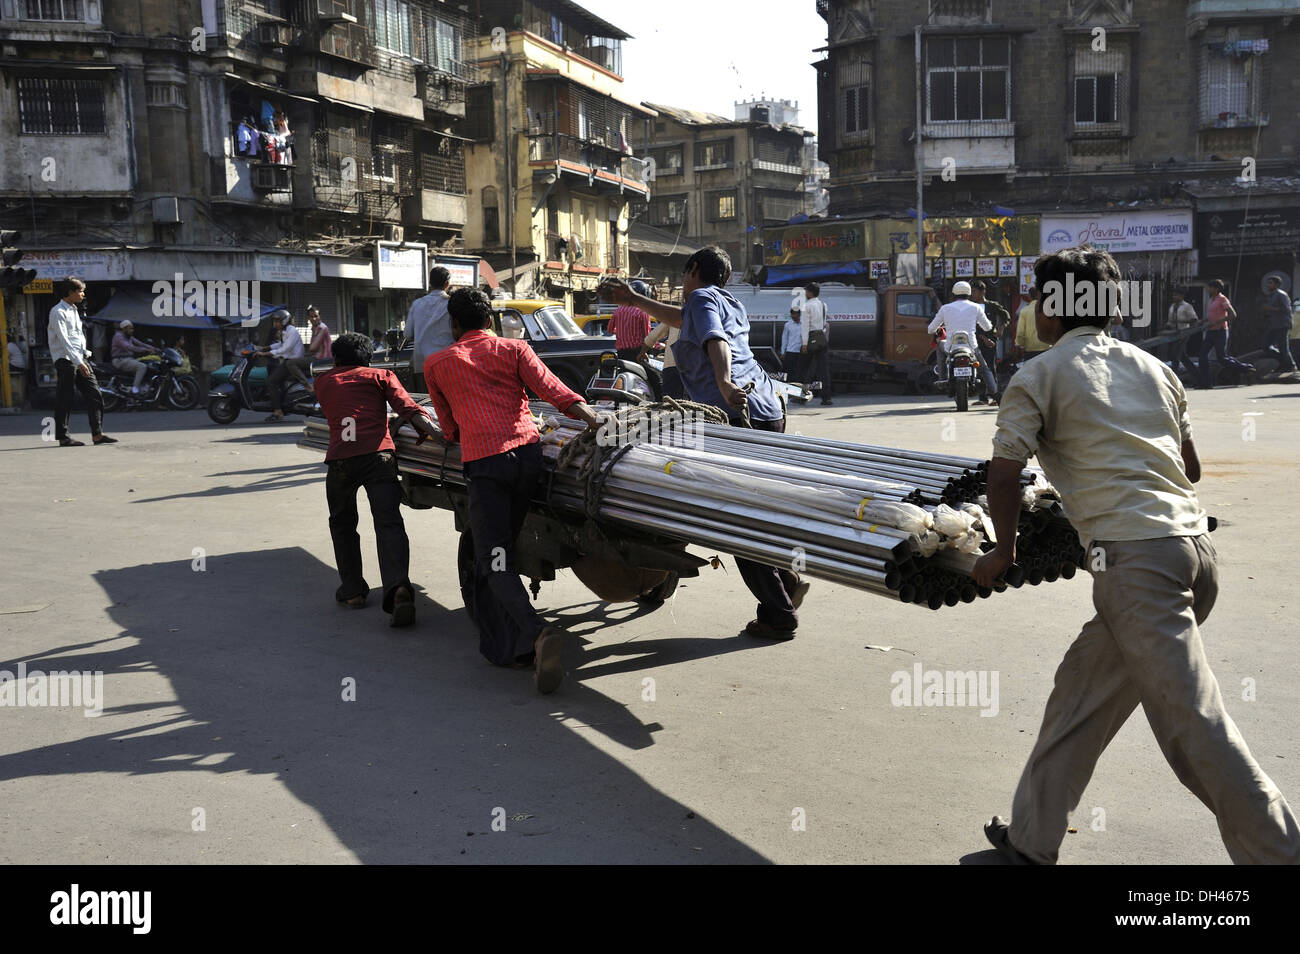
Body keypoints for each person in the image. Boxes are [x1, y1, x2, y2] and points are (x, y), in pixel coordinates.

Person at [972, 244, 1300, 866]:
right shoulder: (1154, 369)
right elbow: (1191, 466)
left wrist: (1004, 550)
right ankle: (1029, 841)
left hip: (1137, 569)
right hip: (1193, 554)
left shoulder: (1038, 375)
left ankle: (1281, 856)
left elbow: (1004, 473)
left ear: (1051, 308)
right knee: (1080, 692)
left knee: (1192, 730)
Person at [601, 247, 809, 640]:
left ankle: (779, 613)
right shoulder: (729, 302)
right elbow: (682, 320)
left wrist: (724, 382)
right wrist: (634, 300)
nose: (683, 285)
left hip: (732, 412)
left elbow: (715, 339)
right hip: (767, 409)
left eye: (684, 276)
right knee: (757, 505)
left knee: (732, 518)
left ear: (693, 270)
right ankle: (786, 579)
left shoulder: (700, 297)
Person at [424, 288, 601, 693]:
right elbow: (554, 391)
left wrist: (455, 432)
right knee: (506, 546)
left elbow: (449, 428)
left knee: (493, 557)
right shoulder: (515, 348)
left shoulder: (437, 364)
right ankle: (510, 643)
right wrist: (596, 421)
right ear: (489, 321)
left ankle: (536, 634)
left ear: (453, 324)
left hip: (486, 466)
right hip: (528, 459)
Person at [314, 332, 439, 627]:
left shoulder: (323, 381)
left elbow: (345, 410)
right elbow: (408, 409)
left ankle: (353, 591)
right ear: (369, 358)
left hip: (341, 460)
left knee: (343, 524)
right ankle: (398, 590)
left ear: (336, 358)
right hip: (378, 457)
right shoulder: (380, 376)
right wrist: (439, 435)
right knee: (388, 524)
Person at [47, 277, 114, 446]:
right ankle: (63, 437)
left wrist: (84, 355)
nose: (83, 294)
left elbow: (78, 336)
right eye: (80, 291)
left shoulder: (74, 310)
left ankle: (97, 435)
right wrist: (79, 362)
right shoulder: (58, 312)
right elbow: (64, 340)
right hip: (65, 360)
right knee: (65, 398)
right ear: (70, 292)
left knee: (95, 394)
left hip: (80, 358)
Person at [928, 280, 993, 393]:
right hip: (971, 347)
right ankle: (995, 392)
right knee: (985, 369)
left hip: (951, 347)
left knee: (939, 345)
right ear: (969, 293)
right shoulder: (976, 307)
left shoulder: (945, 308)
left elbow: (930, 330)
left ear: (954, 294)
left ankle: (942, 379)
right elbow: (988, 327)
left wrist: (938, 329)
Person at [608, 280, 662, 400]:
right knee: (657, 379)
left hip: (621, 355)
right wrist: (659, 346)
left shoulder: (618, 311)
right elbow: (648, 337)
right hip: (637, 354)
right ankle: (660, 404)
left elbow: (610, 329)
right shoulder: (642, 312)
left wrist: (623, 332)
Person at [1198, 280, 1253, 389]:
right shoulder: (1211, 300)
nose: (1208, 289)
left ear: (1216, 289)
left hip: (1220, 331)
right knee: (1202, 356)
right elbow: (1212, 316)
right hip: (1211, 331)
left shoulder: (1222, 299)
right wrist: (1203, 321)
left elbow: (1233, 314)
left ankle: (1245, 368)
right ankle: (1206, 383)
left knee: (1221, 357)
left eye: (1210, 287)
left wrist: (1218, 321)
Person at [408, 266, 452, 391]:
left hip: (422, 364)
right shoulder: (451, 303)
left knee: (426, 404)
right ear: (447, 284)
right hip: (446, 363)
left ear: (430, 283)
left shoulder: (417, 304)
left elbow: (407, 333)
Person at [257, 310, 305, 422]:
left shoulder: (292, 331)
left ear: (284, 321)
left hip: (293, 363)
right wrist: (265, 348)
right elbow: (281, 344)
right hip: (288, 361)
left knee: (271, 381)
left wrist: (264, 353)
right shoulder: (285, 331)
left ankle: (278, 412)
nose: (276, 324)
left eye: (278, 321)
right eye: (275, 321)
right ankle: (281, 404)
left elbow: (284, 349)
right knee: (276, 378)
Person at [970, 279, 1007, 405]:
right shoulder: (971, 307)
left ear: (982, 292)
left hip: (991, 341)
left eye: (974, 291)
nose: (972, 294)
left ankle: (994, 397)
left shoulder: (992, 305)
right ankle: (982, 398)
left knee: (990, 367)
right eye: (971, 292)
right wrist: (982, 338)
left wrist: (1000, 329)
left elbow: (1005, 316)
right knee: (978, 368)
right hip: (976, 341)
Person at [797, 282, 833, 406]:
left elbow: (805, 326)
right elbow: (824, 323)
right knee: (823, 369)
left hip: (811, 337)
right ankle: (826, 397)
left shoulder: (807, 306)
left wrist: (804, 343)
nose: (805, 293)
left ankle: (801, 395)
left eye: (806, 291)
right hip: (821, 338)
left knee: (804, 368)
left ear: (810, 292)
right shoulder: (823, 305)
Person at [111, 320, 157, 395]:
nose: (132, 330)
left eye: (132, 328)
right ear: (124, 329)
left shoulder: (129, 337)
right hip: (120, 360)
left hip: (127, 359)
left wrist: (156, 349)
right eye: (130, 328)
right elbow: (129, 347)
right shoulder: (118, 336)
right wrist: (146, 350)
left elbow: (141, 344)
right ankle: (135, 389)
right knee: (142, 367)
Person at [1160, 288, 1200, 376]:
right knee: (1181, 357)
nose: (1174, 297)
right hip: (1173, 334)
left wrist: (1181, 322)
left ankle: (1175, 376)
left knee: (1175, 356)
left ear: (1181, 296)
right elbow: (1170, 321)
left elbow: (1194, 320)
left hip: (1183, 333)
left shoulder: (1187, 306)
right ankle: (1196, 376)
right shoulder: (1172, 307)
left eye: (1176, 295)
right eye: (1173, 295)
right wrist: (1166, 327)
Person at [1261, 276, 1296, 373]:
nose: (1268, 285)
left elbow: (1287, 309)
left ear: (1277, 285)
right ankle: (1283, 361)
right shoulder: (1270, 295)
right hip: (1273, 325)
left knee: (1283, 347)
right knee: (1265, 345)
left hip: (1282, 324)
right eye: (1268, 283)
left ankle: (1290, 365)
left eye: (1270, 283)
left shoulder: (1281, 294)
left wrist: (1271, 309)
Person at [1014, 286, 1047, 364]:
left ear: (1029, 296)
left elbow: (1020, 334)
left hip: (1030, 351)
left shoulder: (1024, 311)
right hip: (1047, 349)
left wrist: (1019, 347)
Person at [780, 305, 803, 380]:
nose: (793, 316)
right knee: (788, 372)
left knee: (799, 371)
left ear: (799, 314)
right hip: (790, 351)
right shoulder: (788, 325)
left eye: (795, 314)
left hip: (800, 352)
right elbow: (784, 338)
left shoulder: (804, 325)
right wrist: (783, 352)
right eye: (792, 314)